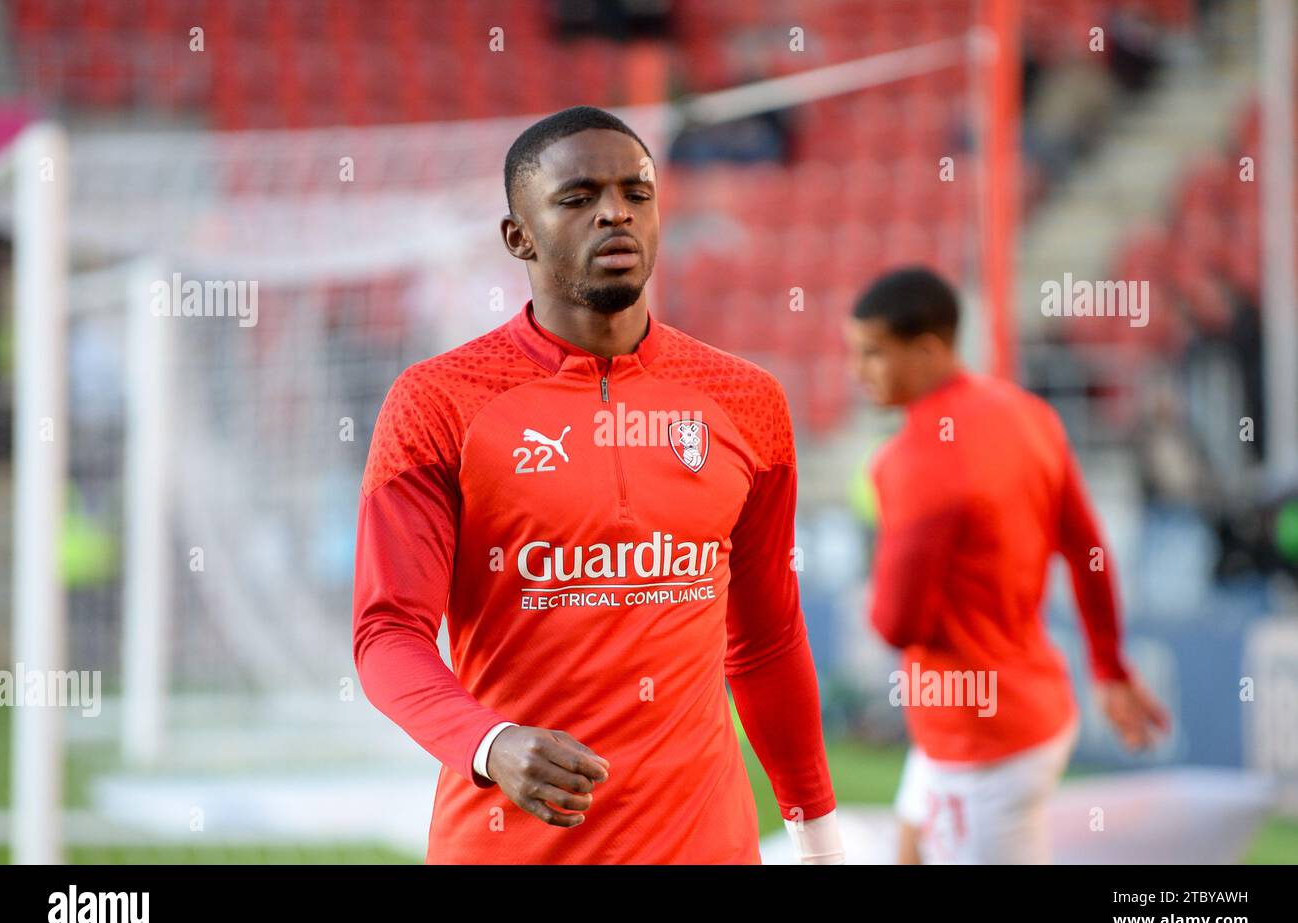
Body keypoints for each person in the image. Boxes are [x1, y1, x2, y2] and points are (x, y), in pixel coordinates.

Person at [353, 106, 842, 864]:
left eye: (635, 192)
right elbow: (387, 634)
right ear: (519, 236)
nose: (615, 211)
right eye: (578, 197)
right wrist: (489, 741)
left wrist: (818, 832)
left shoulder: (748, 400)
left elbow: (769, 640)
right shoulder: (438, 402)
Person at [844, 266, 1171, 864]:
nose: (858, 371)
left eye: (873, 354)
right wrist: (1108, 667)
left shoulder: (912, 460)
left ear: (928, 349)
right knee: (908, 852)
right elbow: (1088, 549)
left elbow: (897, 625)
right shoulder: (1028, 415)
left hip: (978, 739)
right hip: (1025, 708)